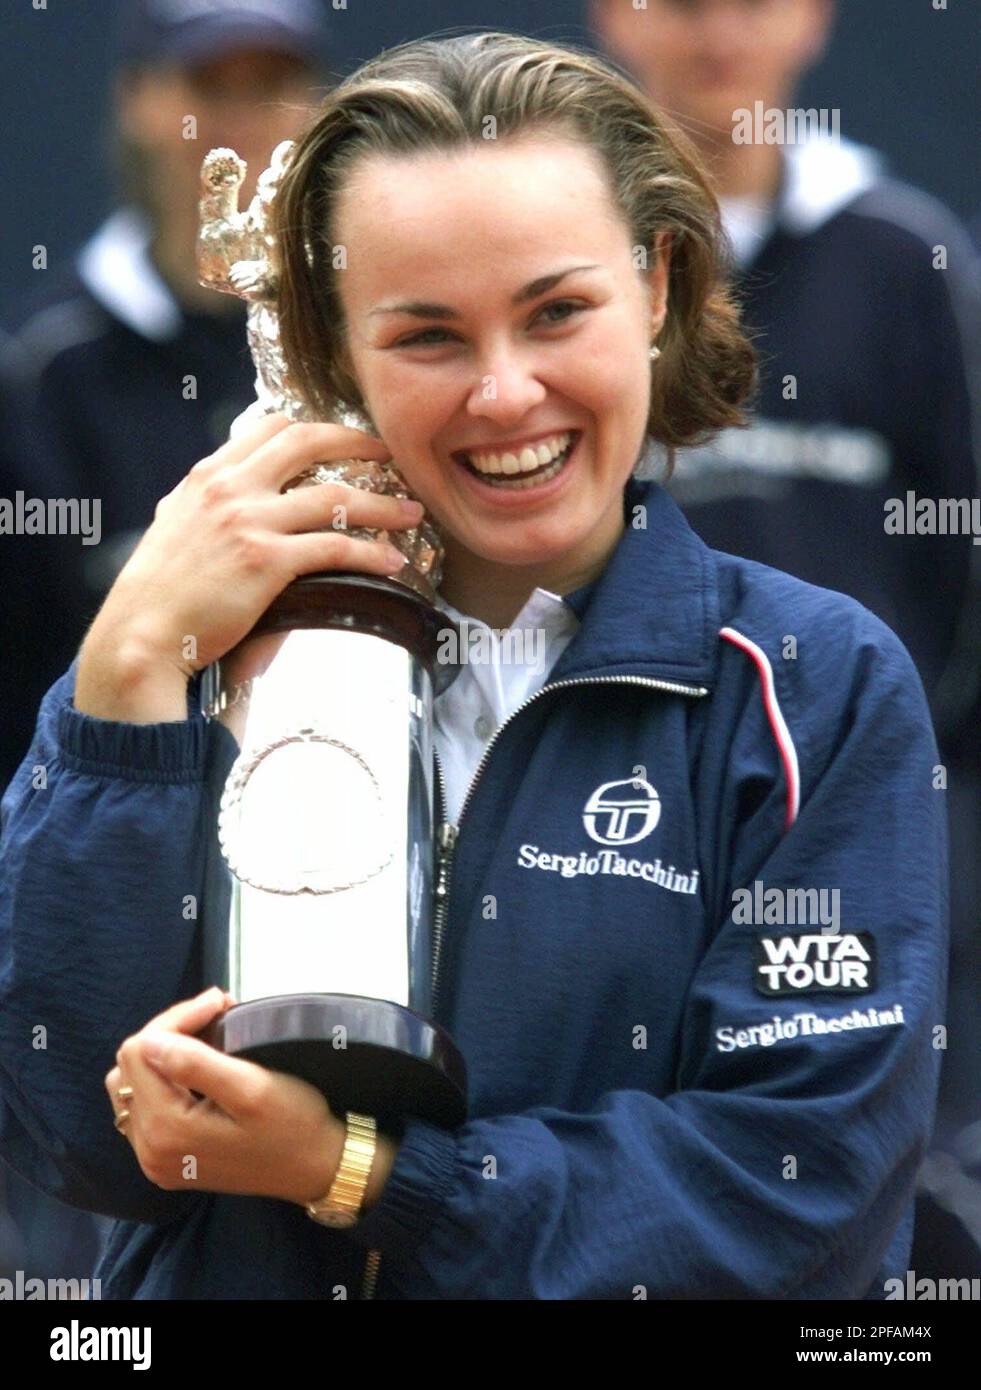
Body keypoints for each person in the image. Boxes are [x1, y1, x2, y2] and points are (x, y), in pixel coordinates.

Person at [0, 32, 948, 1300]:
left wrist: (361, 1174)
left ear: (657, 286)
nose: (506, 394)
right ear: (336, 347)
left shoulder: (812, 689)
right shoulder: (208, 665)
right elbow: (66, 1131)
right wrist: (121, 670)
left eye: (558, 311)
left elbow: (794, 1199)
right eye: (429, 336)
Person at [591, 0, 981, 1275]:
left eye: (751, 0)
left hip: (875, 833)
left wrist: (911, 774)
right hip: (614, 825)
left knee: (873, 1218)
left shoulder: (908, 258)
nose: (719, 36)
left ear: (813, 19)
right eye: (685, 3)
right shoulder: (561, 252)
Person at [0, 0, 333, 790]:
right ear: (139, 102)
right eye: (210, 85)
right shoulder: (36, 373)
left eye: (273, 86)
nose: (243, 119)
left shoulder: (375, 337)